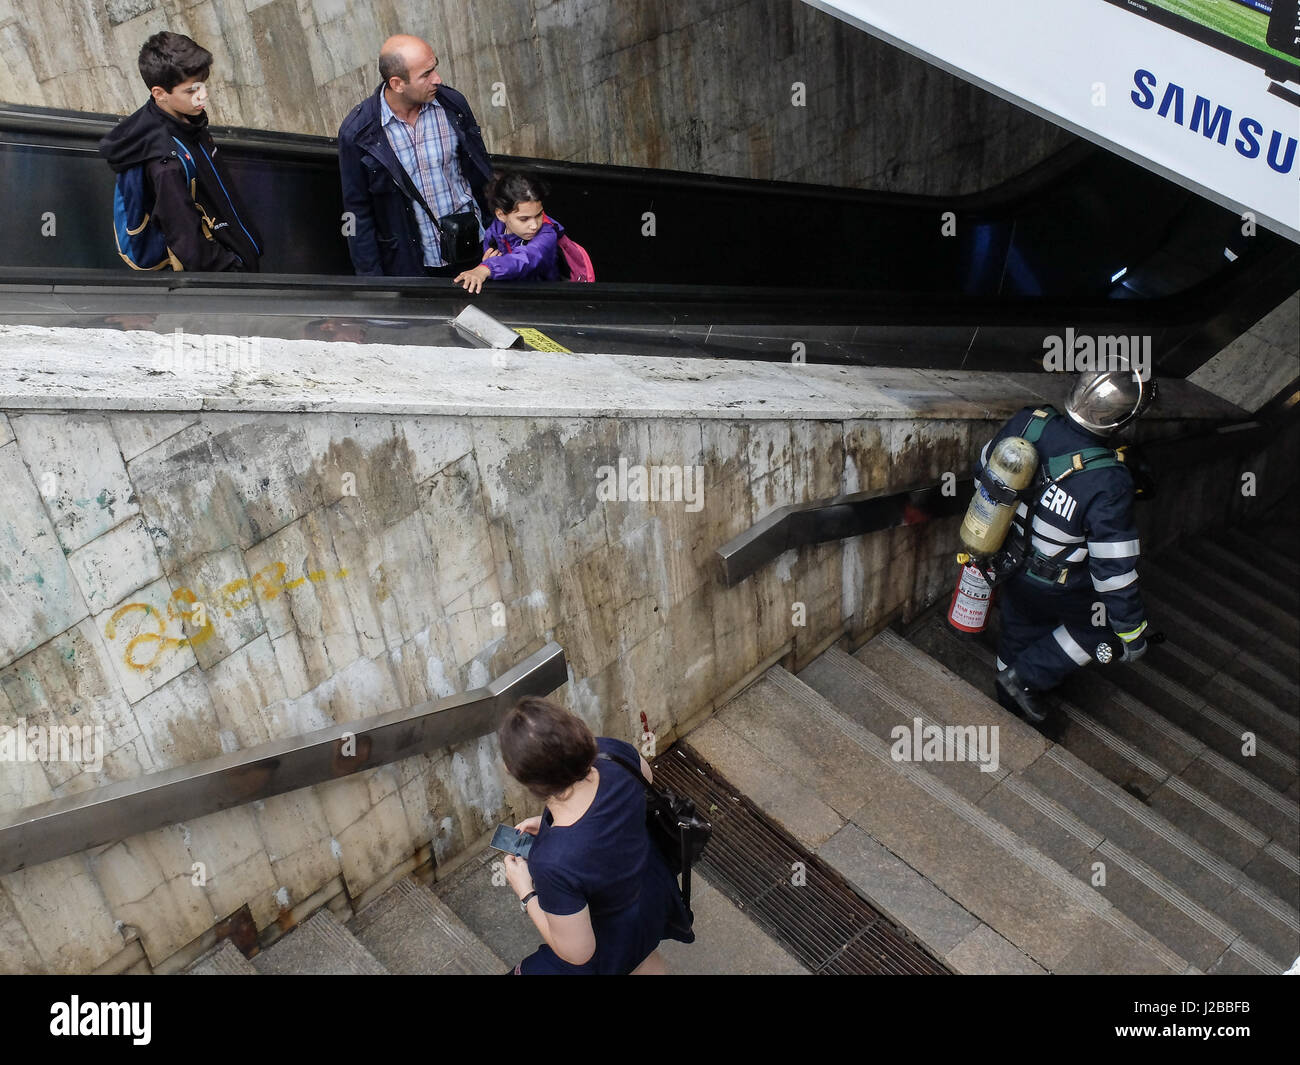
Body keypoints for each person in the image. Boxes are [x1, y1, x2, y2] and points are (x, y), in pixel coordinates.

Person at [979, 362, 1157, 724]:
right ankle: (1023, 680)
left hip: (1007, 559)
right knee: (1102, 625)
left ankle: (1004, 700)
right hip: (1054, 584)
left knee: (1019, 623)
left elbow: (984, 468)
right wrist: (1132, 633)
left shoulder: (1029, 422)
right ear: (1120, 422)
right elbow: (1114, 571)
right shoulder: (1110, 480)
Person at [496, 697, 695, 974]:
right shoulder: (612, 753)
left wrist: (526, 891)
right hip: (652, 893)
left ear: (521, 776)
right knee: (643, 959)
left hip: (614, 932)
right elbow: (645, 780)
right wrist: (550, 825)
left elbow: (578, 953)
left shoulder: (552, 862)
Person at [99, 32, 262, 272]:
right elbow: (186, 239)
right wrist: (232, 269)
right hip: (223, 278)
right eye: (191, 90)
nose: (202, 95)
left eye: (203, 85)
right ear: (159, 94)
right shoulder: (165, 162)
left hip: (236, 248)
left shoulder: (188, 122)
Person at [337, 35, 492, 277]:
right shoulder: (359, 132)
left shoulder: (453, 106)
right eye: (426, 74)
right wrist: (371, 279)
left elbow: (481, 173)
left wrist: (498, 237)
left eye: (435, 68)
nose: (437, 79)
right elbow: (356, 212)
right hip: (413, 265)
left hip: (473, 250)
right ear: (397, 83)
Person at [453, 171, 567, 292]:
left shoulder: (547, 234)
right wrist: (489, 264)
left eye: (539, 215)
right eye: (524, 219)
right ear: (501, 215)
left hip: (543, 296)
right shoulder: (494, 232)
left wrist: (488, 267)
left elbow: (526, 258)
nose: (534, 225)